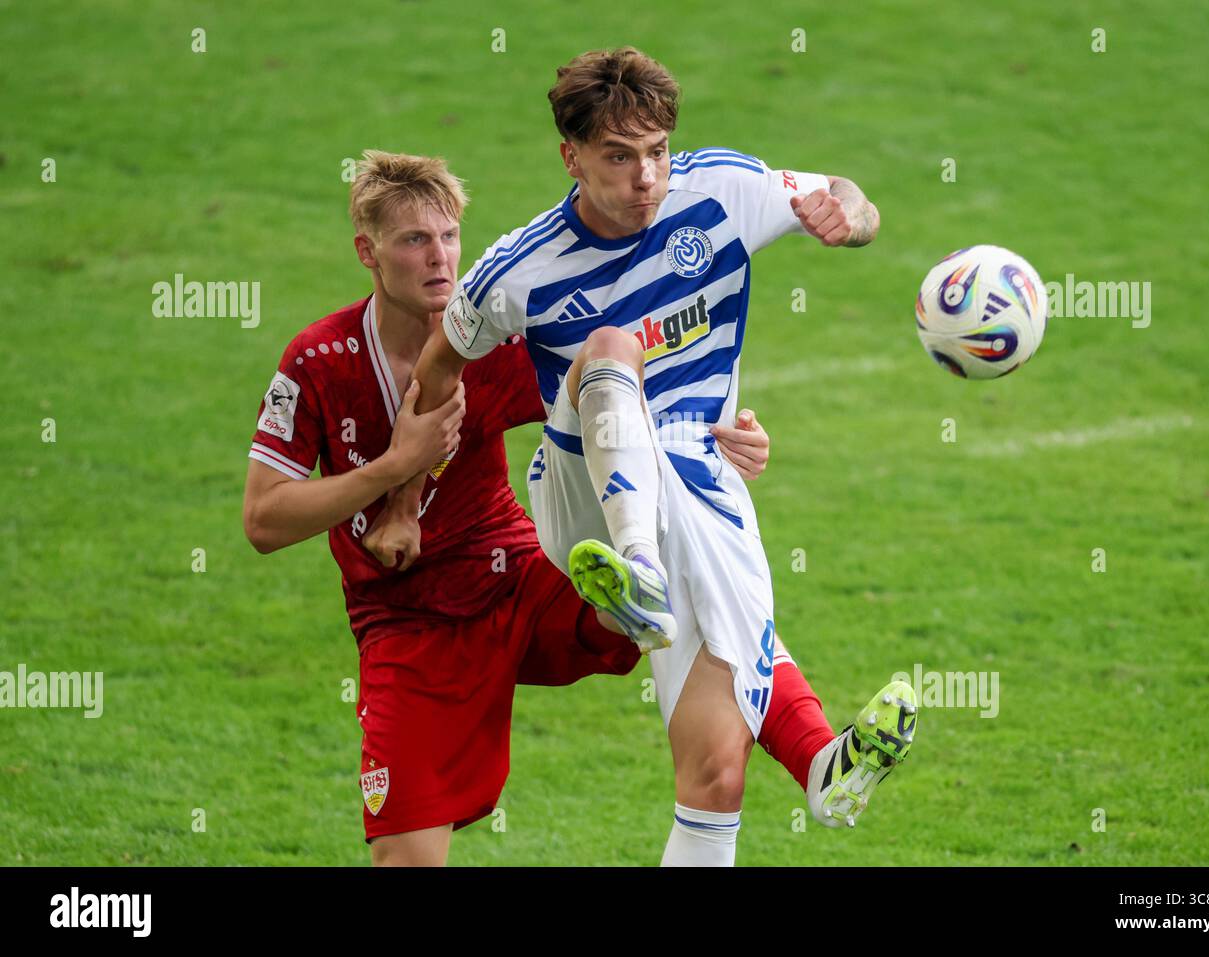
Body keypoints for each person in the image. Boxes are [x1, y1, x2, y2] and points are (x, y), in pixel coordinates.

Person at [364, 49, 919, 868]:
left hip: (701, 482)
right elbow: (440, 367)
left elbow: (846, 194)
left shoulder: (722, 192)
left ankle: (822, 769)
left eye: (656, 151)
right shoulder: (522, 268)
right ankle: (638, 571)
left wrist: (850, 218)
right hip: (581, 491)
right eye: (619, 157)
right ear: (572, 157)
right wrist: (405, 496)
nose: (645, 176)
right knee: (610, 346)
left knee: (715, 774)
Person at [242, 150, 862, 866]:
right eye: (414, 240)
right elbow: (263, 520)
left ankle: (813, 751)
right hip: (407, 626)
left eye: (448, 237)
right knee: (405, 861)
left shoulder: (497, 346)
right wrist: (392, 471)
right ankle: (809, 751)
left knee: (683, 566)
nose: (440, 258)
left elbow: (620, 406)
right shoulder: (319, 363)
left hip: (521, 581)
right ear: (367, 252)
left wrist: (722, 435)